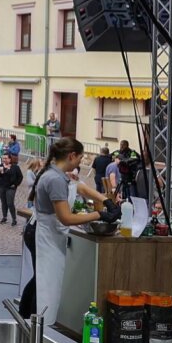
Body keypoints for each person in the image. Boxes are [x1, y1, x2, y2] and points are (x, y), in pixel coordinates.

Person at [20, 137, 117, 321]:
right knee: (44, 283)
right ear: (72, 156)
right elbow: (65, 218)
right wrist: (100, 215)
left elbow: (79, 187)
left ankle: (27, 320)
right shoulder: (55, 179)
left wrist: (105, 200)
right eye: (80, 159)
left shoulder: (56, 173)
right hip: (45, 234)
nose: (80, 162)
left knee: (39, 281)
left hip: (44, 231)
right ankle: (35, 323)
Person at [0, 153, 22, 226]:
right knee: (3, 202)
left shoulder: (15, 167)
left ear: (10, 159)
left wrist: (15, 184)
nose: (4, 160)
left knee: (10, 203)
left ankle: (14, 219)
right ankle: (4, 217)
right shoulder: (0, 166)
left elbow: (20, 177)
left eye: (6, 158)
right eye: (3, 158)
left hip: (11, 188)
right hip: (1, 187)